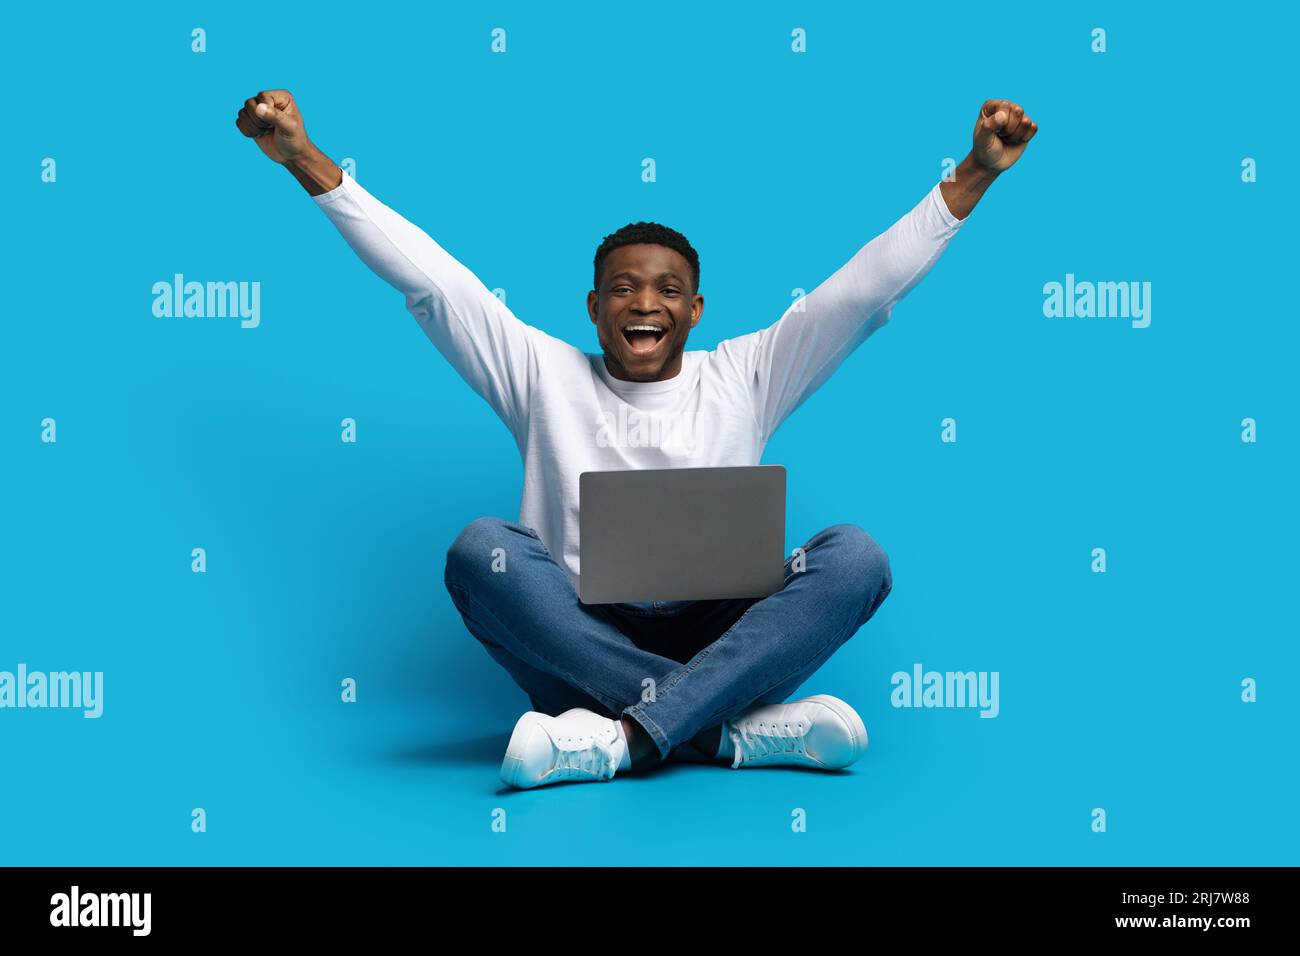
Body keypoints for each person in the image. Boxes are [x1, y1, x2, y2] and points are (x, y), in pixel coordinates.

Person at [236, 90, 1037, 789]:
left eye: (666, 290)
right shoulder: (540, 371)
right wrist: (303, 158)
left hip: (720, 633)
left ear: (694, 311)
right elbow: (433, 284)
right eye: (622, 288)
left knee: (856, 557)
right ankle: (723, 731)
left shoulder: (749, 372)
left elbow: (859, 294)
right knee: (480, 550)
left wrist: (975, 174)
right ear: (592, 308)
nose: (642, 303)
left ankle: (621, 740)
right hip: (580, 646)